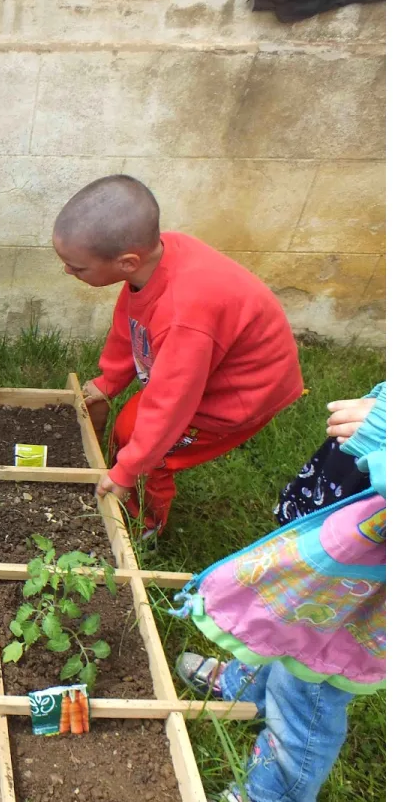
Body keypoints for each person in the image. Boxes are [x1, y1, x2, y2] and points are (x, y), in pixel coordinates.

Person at [172, 383, 385, 802]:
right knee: (288, 621)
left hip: (366, 580)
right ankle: (247, 687)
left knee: (312, 680)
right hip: (353, 520)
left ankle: (279, 799)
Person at [53, 175, 303, 536]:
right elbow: (131, 322)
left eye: (77, 267)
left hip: (240, 392)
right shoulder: (156, 260)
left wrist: (130, 468)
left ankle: (144, 526)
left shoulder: (184, 317)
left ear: (126, 262)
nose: (67, 271)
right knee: (131, 430)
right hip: (203, 367)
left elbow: (172, 401)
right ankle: (129, 469)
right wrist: (109, 380)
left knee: (153, 452)